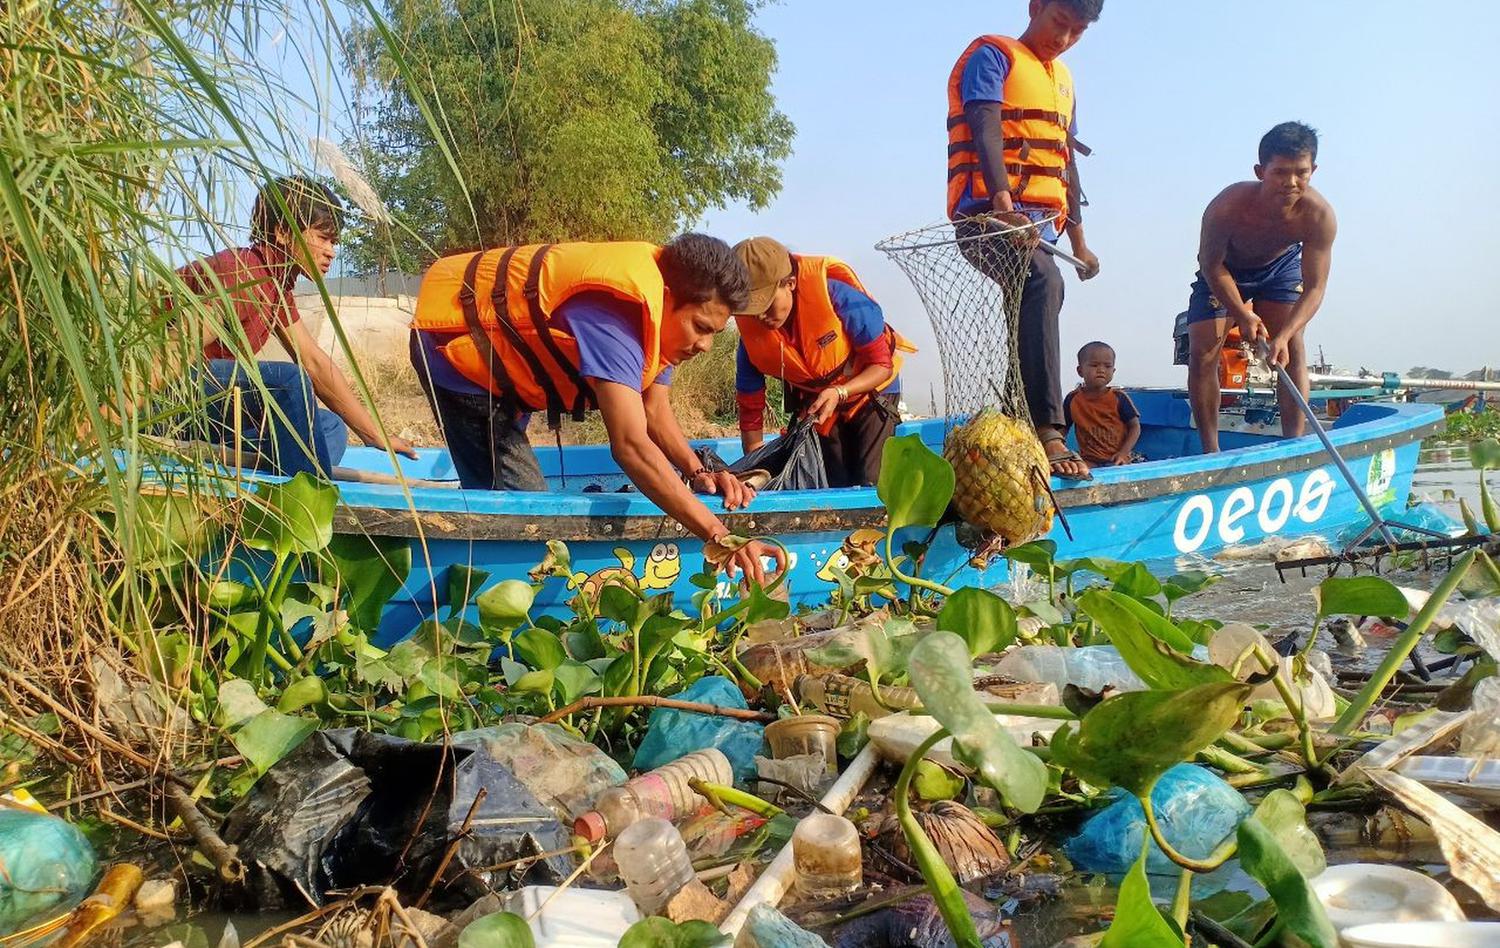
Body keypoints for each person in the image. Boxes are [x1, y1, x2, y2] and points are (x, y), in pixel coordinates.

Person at [409, 233, 785, 584]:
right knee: (527, 514)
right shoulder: (616, 316)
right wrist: (720, 535)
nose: (704, 345)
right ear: (668, 297)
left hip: (507, 372)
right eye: (700, 327)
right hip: (455, 355)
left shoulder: (660, 319)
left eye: (714, 334)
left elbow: (654, 409)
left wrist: (698, 470)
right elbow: (631, 447)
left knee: (519, 494)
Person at [946, 0, 1104, 480]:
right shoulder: (993, 56)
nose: (1064, 38)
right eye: (1060, 23)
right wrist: (1002, 201)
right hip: (986, 221)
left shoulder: (1063, 81)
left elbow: (1064, 164)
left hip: (1044, 230)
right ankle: (1049, 431)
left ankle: (1018, 415)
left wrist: (1080, 242)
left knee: (1036, 300)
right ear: (1036, 6)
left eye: (1077, 32)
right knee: (1042, 282)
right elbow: (985, 127)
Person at [179, 175, 417, 477]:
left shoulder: (276, 286)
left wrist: (373, 434)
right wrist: (107, 422)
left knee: (329, 427)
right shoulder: (242, 273)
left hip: (211, 414)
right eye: (322, 238)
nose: (331, 251)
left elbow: (313, 360)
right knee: (289, 382)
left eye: (334, 242)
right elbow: (171, 355)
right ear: (282, 232)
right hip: (170, 397)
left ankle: (260, 466)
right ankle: (305, 501)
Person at [1184, 121, 1337, 453]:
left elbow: (1315, 288)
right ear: (1260, 171)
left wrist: (1281, 335)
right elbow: (1211, 265)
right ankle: (1210, 450)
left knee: (1292, 346)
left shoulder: (1319, 216)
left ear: (1313, 169)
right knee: (1203, 350)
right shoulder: (1227, 206)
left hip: (1280, 267)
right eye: (1280, 172)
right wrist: (1241, 313)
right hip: (1227, 269)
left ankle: (1293, 445)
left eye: (1301, 172)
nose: (1291, 182)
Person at [730, 237, 916, 488]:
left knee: (870, 481)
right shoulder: (752, 337)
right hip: (820, 405)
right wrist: (756, 465)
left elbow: (882, 366)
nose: (760, 315)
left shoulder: (840, 298)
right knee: (832, 481)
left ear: (790, 283)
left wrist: (841, 391)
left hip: (871, 392)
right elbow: (750, 409)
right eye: (751, 307)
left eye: (766, 302)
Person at [1063, 341, 1139, 467]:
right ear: (1080, 371)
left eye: (1107, 366)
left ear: (1113, 371)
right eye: (1094, 365)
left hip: (1117, 460)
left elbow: (1135, 427)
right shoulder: (1072, 399)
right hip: (1089, 460)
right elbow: (1062, 429)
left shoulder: (1118, 397)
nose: (1101, 370)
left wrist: (1123, 453)